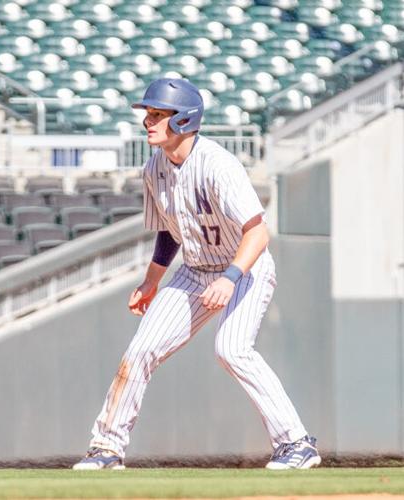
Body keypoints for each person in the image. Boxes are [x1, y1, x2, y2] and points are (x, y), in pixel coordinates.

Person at [72, 78, 320, 471]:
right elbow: (170, 231)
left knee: (232, 349)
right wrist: (152, 280)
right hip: (195, 269)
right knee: (139, 352)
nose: (147, 122)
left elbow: (258, 232)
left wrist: (230, 278)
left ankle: (297, 443)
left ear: (184, 121)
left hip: (245, 267)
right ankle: (106, 449)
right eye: (148, 114)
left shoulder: (217, 166)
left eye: (158, 115)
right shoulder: (155, 167)